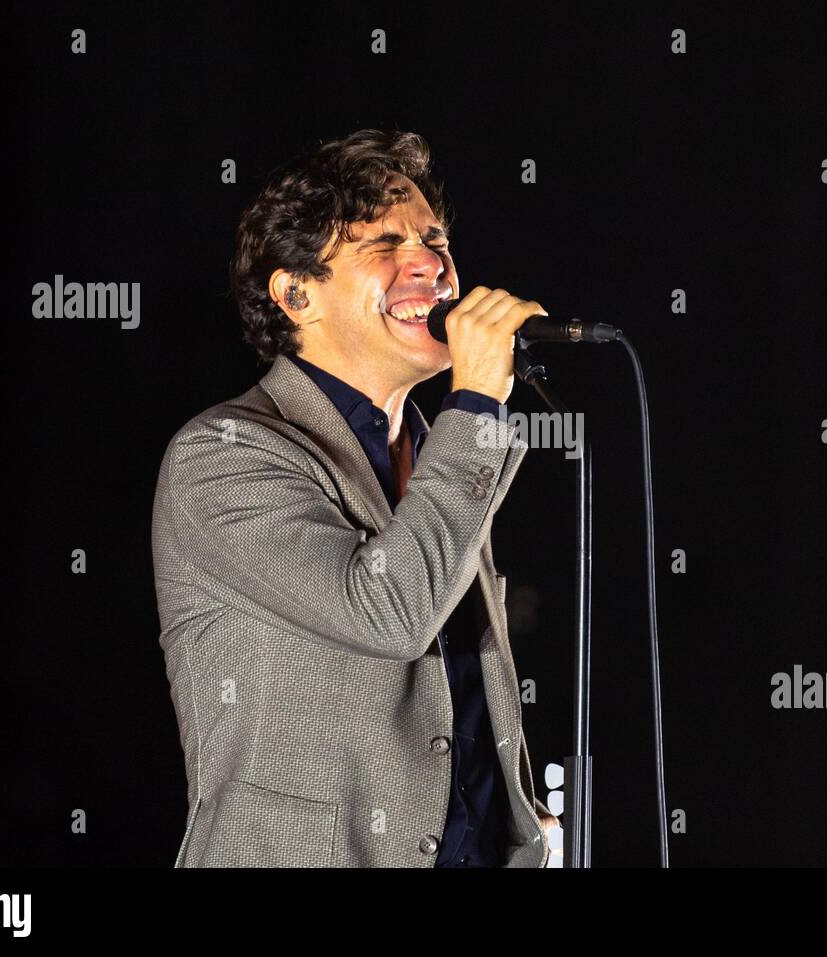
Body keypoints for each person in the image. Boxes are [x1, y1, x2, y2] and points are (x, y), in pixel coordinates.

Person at [151, 129, 559, 867]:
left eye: (435, 238)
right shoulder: (223, 456)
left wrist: (522, 820)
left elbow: (459, 684)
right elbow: (390, 612)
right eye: (385, 244)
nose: (431, 264)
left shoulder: (438, 447)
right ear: (296, 292)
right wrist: (477, 405)